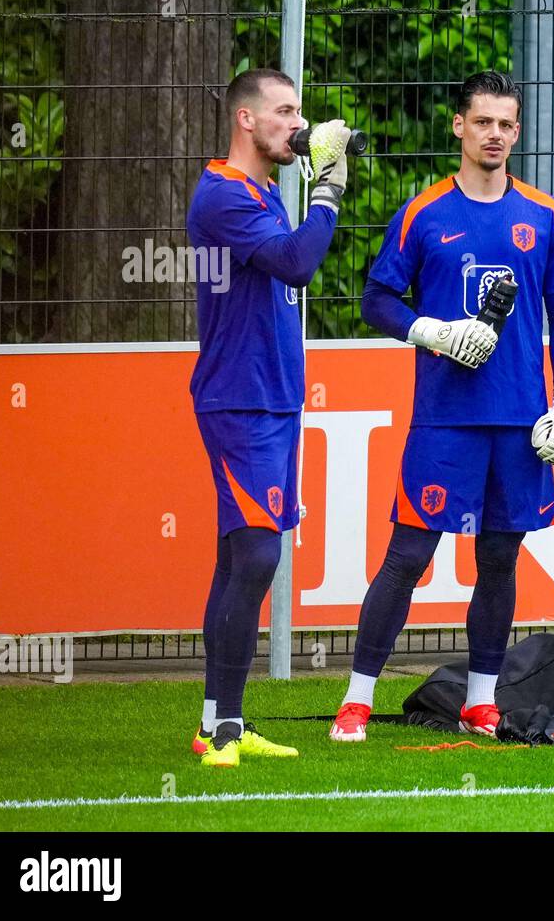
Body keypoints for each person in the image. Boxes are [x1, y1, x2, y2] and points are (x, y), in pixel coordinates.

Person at [329, 71, 554, 742]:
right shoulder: (424, 214)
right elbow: (377, 299)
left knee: (500, 558)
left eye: (506, 124)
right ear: (458, 128)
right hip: (445, 416)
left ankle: (480, 701)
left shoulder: (544, 215)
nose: (494, 134)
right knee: (408, 555)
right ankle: (356, 700)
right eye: (483, 123)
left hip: (520, 420)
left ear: (517, 132)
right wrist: (432, 332)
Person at [186, 68, 352, 767]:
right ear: (246, 120)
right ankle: (220, 726)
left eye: (300, 112)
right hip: (239, 397)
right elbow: (298, 263)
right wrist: (329, 188)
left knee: (241, 556)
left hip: (272, 397)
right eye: (285, 111)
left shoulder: (256, 192)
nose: (297, 123)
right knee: (256, 552)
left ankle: (223, 720)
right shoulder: (223, 193)